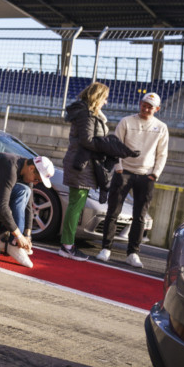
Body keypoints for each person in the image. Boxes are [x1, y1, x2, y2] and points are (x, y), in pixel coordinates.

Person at [59, 82, 139, 261]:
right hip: (81, 165)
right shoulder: (86, 114)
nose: (106, 102)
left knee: (76, 206)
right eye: (105, 98)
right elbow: (87, 140)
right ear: (97, 97)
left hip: (84, 164)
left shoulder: (89, 114)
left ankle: (67, 244)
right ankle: (67, 246)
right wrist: (107, 147)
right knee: (76, 206)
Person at [98, 92, 169, 268]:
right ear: (139, 104)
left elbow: (162, 153)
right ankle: (106, 248)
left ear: (157, 109)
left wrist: (155, 174)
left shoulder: (161, 127)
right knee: (113, 211)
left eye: (150, 107)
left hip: (146, 175)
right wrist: (119, 168)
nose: (146, 109)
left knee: (140, 216)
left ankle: (133, 253)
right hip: (125, 172)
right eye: (144, 105)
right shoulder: (126, 122)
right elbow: (116, 145)